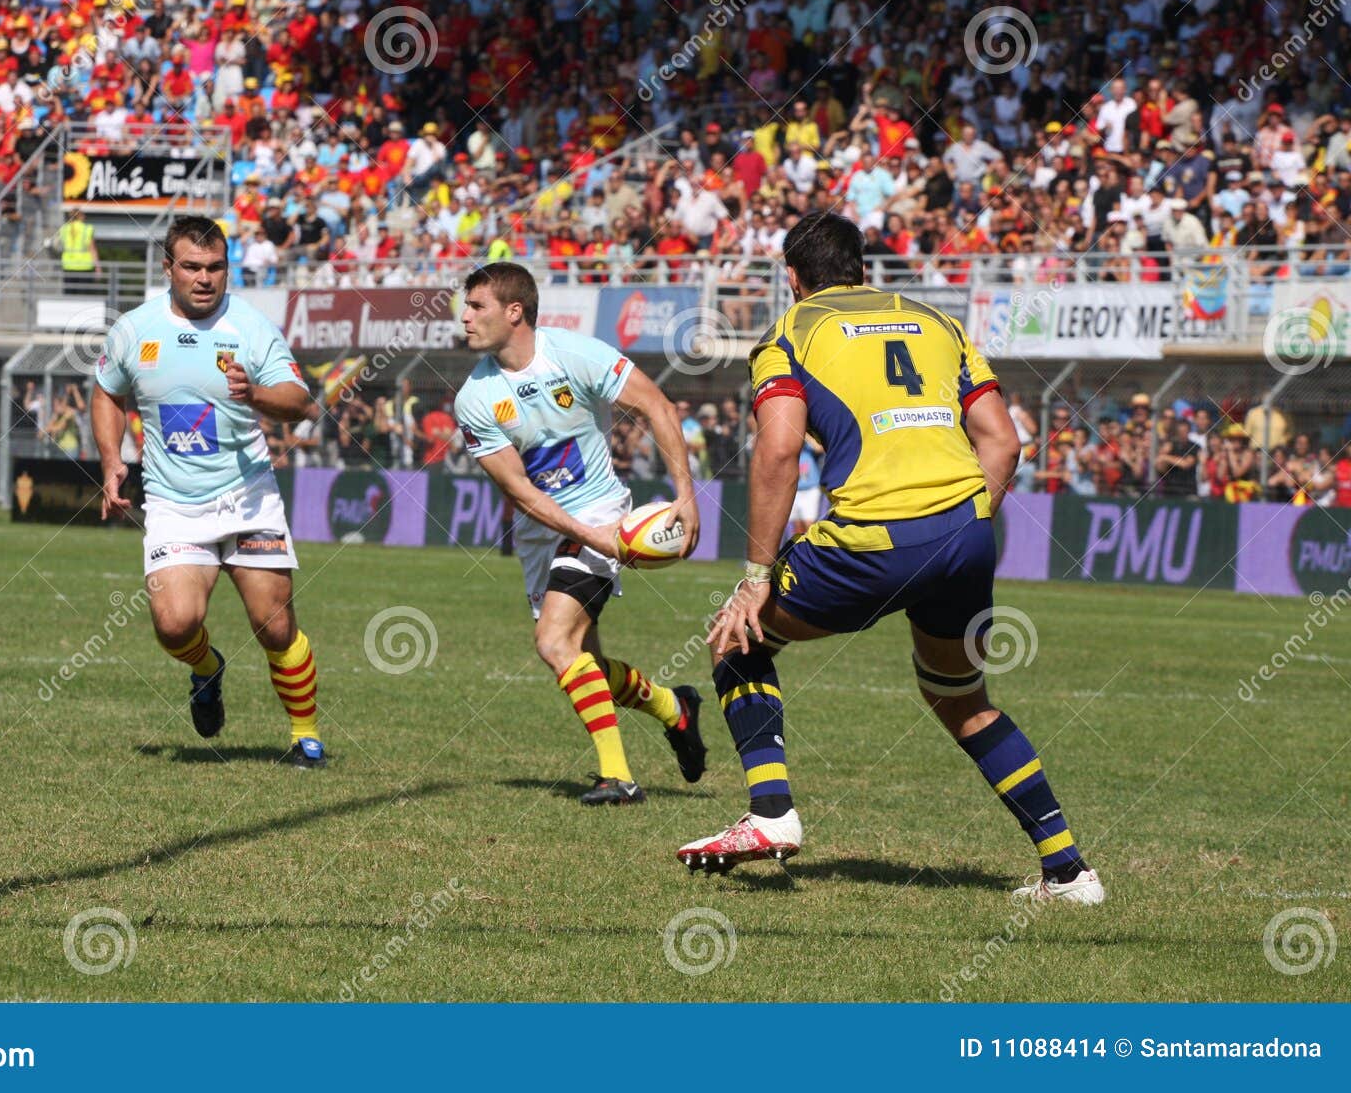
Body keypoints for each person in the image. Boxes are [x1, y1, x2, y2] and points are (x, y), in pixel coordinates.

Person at [680, 214, 1103, 906]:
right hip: (966, 532)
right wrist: (958, 524)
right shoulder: (939, 323)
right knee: (961, 699)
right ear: (863, 270)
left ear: (793, 278)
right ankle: (1068, 871)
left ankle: (770, 812)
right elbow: (1002, 441)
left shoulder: (789, 336)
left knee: (737, 638)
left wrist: (755, 577)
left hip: (870, 538)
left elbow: (779, 450)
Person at [453, 262, 708, 806]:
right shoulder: (473, 398)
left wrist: (685, 496)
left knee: (552, 643)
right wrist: (588, 538)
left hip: (602, 509)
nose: (465, 316)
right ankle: (674, 708)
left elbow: (658, 406)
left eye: (477, 306)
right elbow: (521, 492)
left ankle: (618, 777)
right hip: (546, 530)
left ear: (514, 311)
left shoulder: (575, 354)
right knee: (582, 658)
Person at [93, 215, 329, 768]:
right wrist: (111, 461)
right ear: (168, 267)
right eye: (193, 267)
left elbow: (301, 401)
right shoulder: (133, 328)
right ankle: (206, 668)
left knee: (275, 626)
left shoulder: (251, 328)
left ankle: (305, 735)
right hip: (175, 504)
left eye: (216, 267)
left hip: (247, 496)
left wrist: (258, 395)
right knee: (175, 624)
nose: (205, 278)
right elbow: (107, 393)